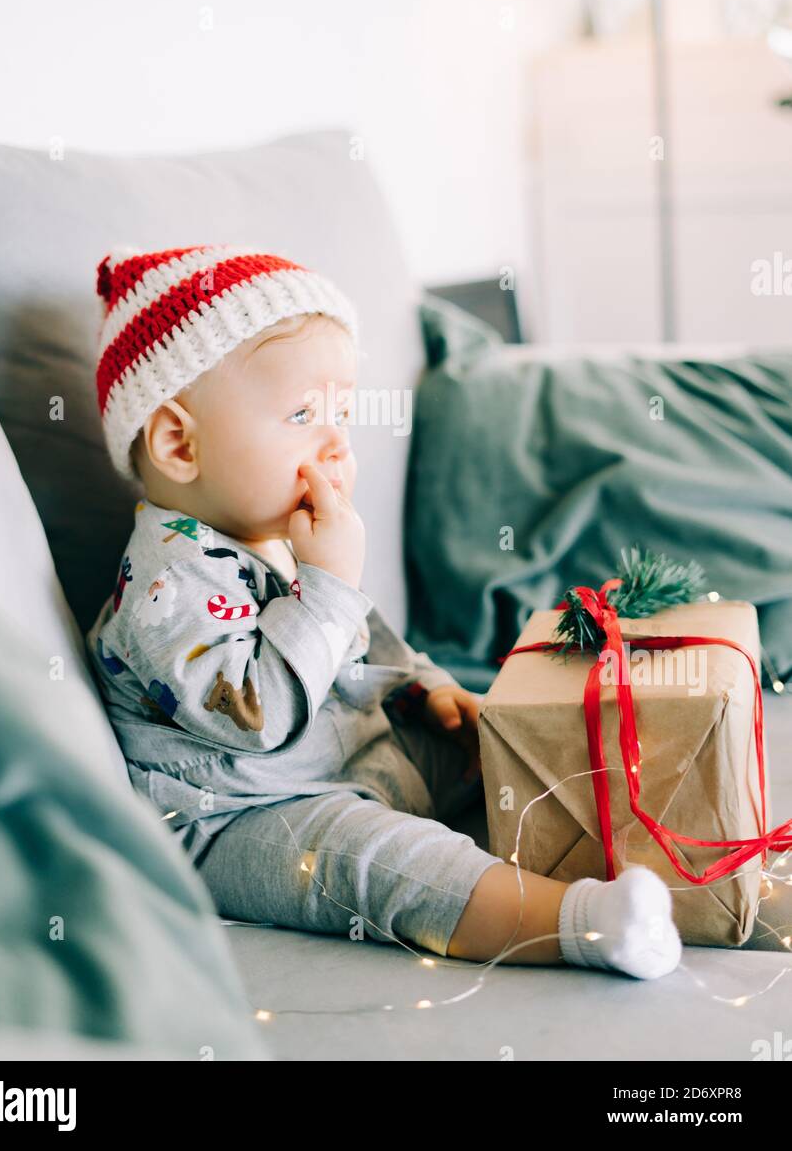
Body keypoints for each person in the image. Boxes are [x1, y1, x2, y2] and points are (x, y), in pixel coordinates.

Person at [86, 242, 683, 979]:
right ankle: (578, 923)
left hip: (345, 755)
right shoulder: (164, 585)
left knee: (493, 738)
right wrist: (327, 580)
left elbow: (363, 638)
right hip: (240, 817)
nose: (337, 443)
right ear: (179, 443)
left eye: (341, 413)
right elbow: (256, 716)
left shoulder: (269, 537)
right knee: (380, 860)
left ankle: (648, 822)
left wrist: (423, 683)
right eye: (304, 413)